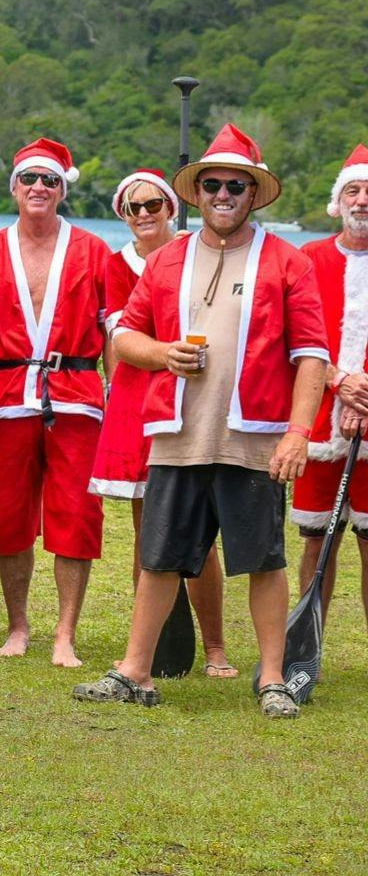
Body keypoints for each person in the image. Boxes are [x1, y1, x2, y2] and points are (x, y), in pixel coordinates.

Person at [74, 124, 328, 718]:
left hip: (254, 436)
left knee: (262, 560)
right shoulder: (167, 259)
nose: (222, 194)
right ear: (197, 193)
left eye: (235, 185)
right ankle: (136, 672)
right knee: (160, 557)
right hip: (178, 434)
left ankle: (271, 679)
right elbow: (126, 333)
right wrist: (163, 354)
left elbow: (311, 354)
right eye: (211, 184)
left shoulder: (288, 262)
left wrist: (297, 433)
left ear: (254, 193)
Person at [0, 138, 110, 668]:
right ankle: (18, 625)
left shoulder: (93, 251)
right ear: (14, 187)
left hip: (78, 397)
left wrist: (119, 406)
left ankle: (65, 634)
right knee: (11, 517)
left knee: (77, 513)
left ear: (64, 189)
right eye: (29, 179)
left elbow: (111, 334)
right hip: (7, 398)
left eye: (49, 180)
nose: (38, 188)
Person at [90, 169, 235, 677]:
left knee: (200, 529)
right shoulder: (116, 266)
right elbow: (123, 339)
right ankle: (147, 648)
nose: (145, 214)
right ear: (123, 215)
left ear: (172, 207)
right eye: (134, 207)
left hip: (195, 390)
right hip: (138, 395)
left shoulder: (199, 254)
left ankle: (215, 646)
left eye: (154, 204)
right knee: (149, 530)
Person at [293, 145, 368, 628]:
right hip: (319, 416)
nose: (362, 201)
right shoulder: (307, 258)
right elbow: (294, 336)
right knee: (319, 538)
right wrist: (340, 382)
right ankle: (306, 644)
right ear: (338, 201)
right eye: (353, 191)